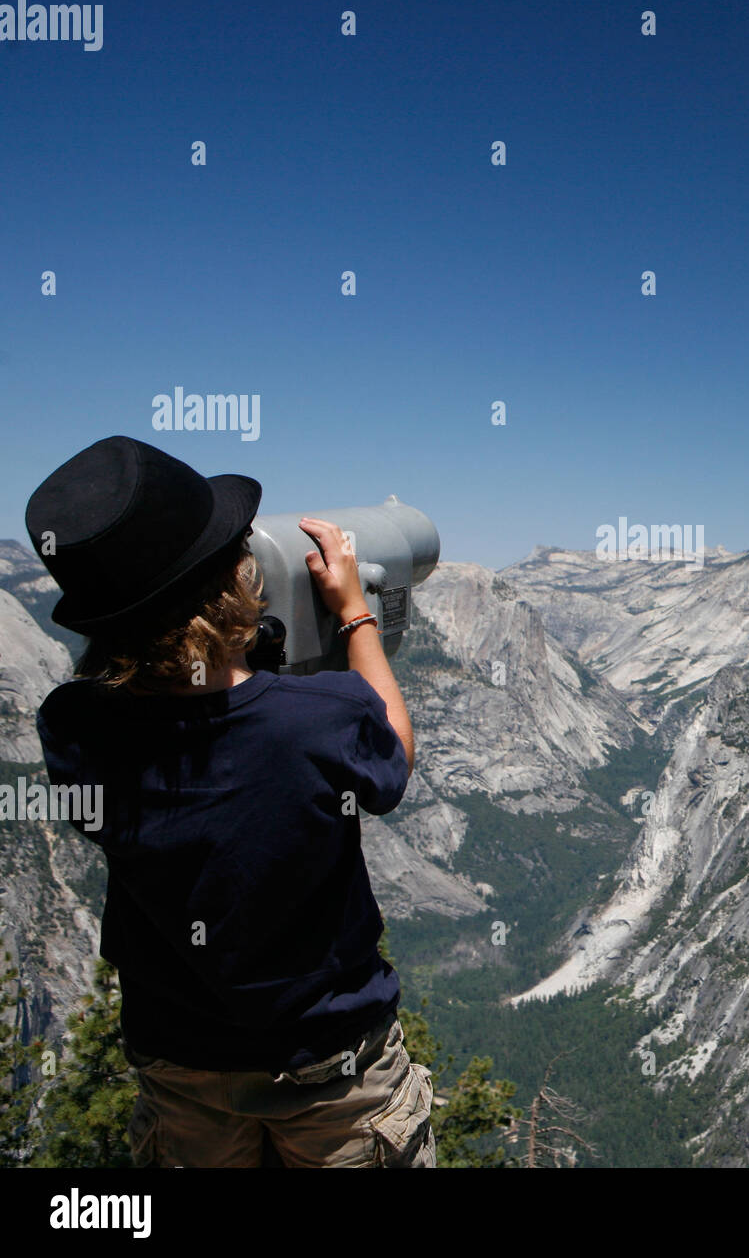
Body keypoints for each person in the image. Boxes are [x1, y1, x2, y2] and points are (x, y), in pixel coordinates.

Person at [27, 435, 434, 1167]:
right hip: (331, 1067)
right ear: (230, 585)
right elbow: (393, 759)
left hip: (180, 1067)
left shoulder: (72, 728)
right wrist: (355, 615)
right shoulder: (316, 720)